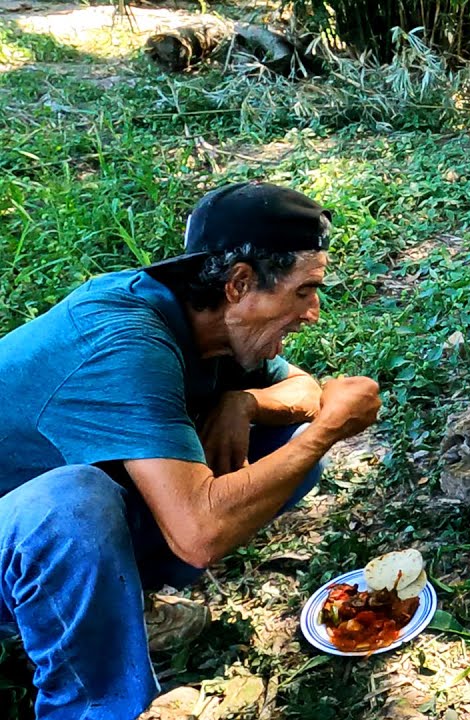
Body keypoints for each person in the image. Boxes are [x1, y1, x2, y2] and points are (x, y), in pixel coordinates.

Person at [0, 181, 382, 719]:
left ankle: (118, 610)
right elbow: (199, 536)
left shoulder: (211, 322)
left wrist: (243, 403)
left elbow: (303, 390)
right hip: (20, 533)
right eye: (302, 291)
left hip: (25, 536)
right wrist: (327, 433)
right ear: (239, 283)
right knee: (73, 500)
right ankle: (92, 708)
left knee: (287, 440)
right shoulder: (128, 343)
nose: (313, 311)